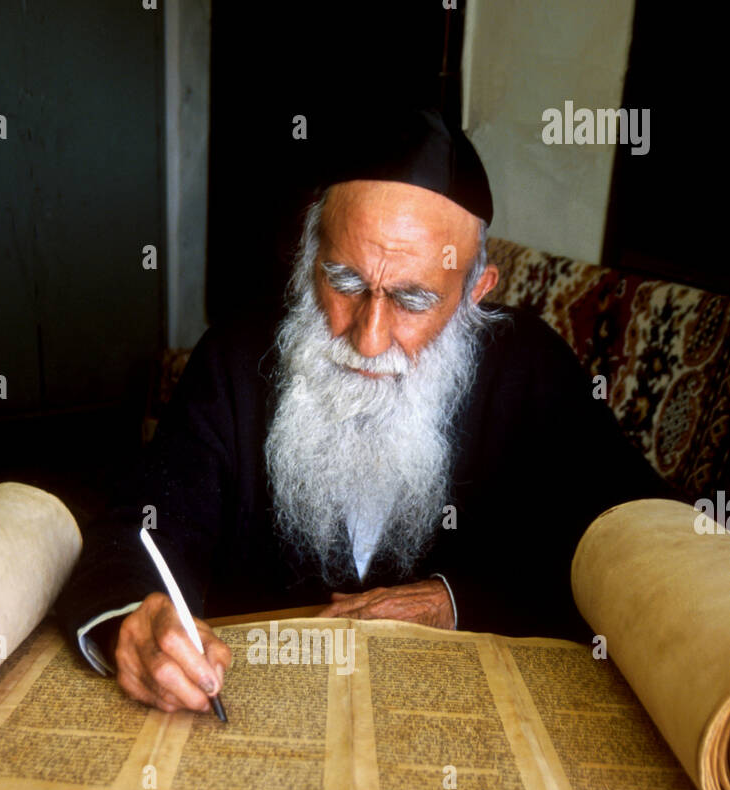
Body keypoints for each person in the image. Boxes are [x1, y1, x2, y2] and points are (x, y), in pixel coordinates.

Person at [56, 109, 665, 715]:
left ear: (476, 289)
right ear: (309, 257)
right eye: (344, 281)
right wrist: (131, 623)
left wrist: (460, 602)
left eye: (413, 298)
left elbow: (639, 538)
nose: (368, 338)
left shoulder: (532, 367)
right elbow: (139, 527)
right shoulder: (236, 356)